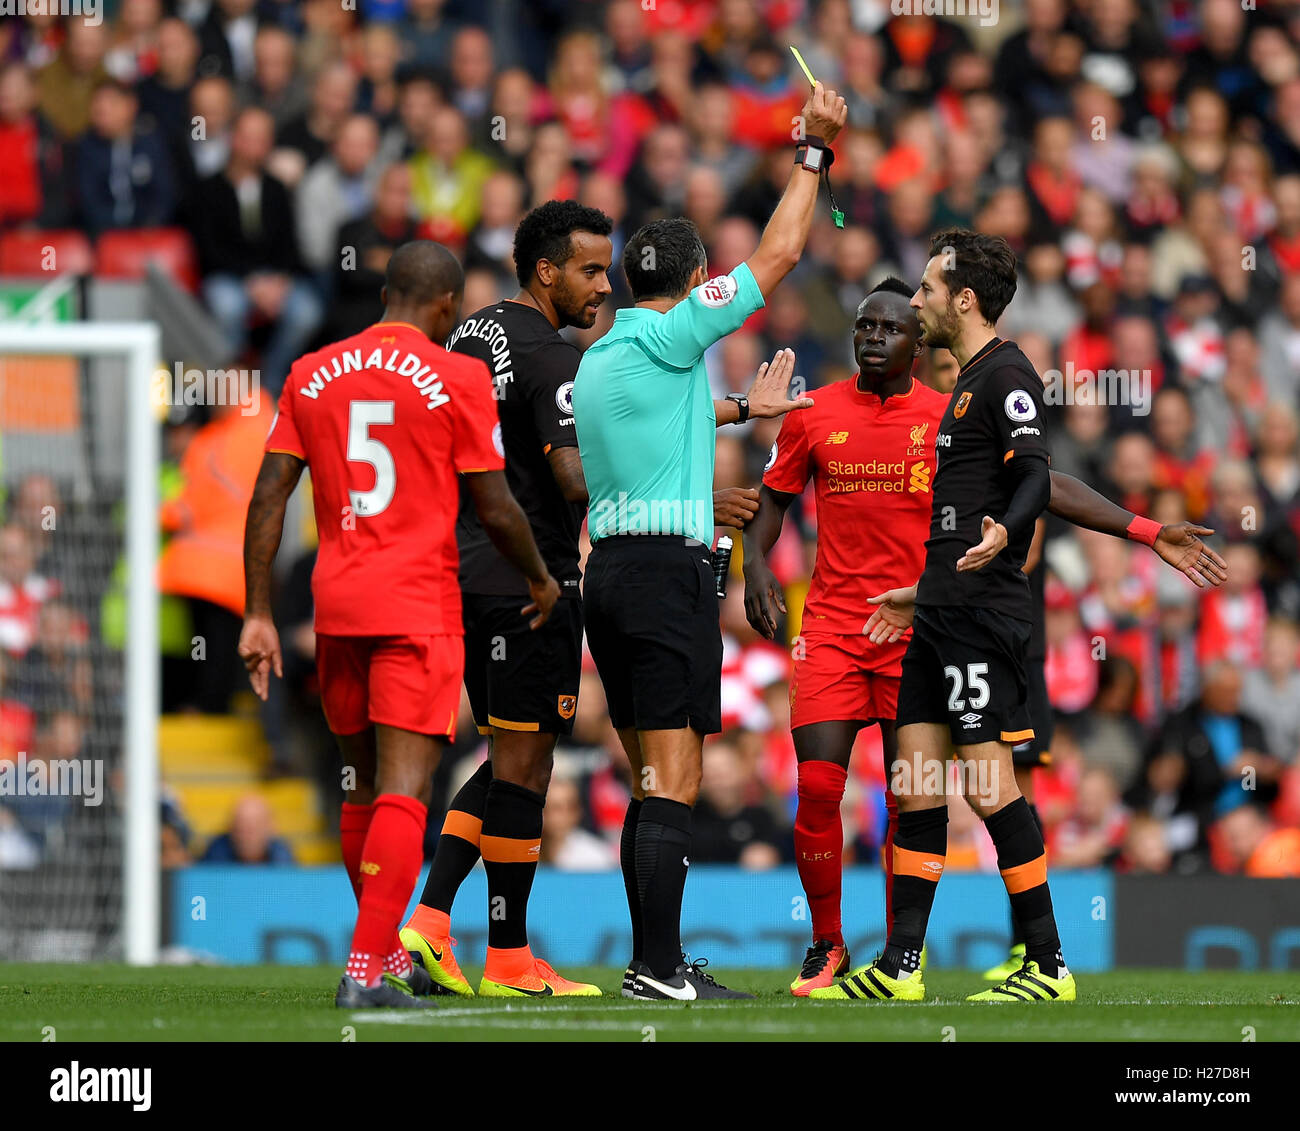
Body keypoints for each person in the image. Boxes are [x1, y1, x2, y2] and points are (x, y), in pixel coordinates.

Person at [745, 278, 1228, 996]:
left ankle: (989, 957)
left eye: (891, 326)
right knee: (832, 785)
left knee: (946, 791)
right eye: (863, 326)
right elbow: (773, 501)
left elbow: (1044, 478)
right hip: (843, 627)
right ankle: (849, 949)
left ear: (920, 340)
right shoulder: (815, 413)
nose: (874, 337)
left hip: (933, 625)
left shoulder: (951, 414)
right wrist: (751, 561)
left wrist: (1145, 530)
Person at [572, 81, 848, 1002]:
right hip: (663, 574)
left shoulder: (606, 353)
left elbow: (656, 425)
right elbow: (776, 256)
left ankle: (655, 958)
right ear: (694, 286)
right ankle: (657, 966)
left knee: (655, 775)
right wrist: (812, 152)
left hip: (613, 571)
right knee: (677, 775)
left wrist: (737, 411)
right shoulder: (677, 334)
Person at [238, 241, 560, 1010]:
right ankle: (363, 973)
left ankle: (378, 956)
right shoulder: (457, 376)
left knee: (362, 785)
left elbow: (268, 496)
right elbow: (495, 505)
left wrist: (256, 611)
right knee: (407, 789)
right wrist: (542, 578)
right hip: (416, 605)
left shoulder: (311, 371)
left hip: (337, 607)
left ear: (387, 295)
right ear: (447, 308)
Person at [399, 199, 616, 999]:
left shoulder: (471, 333)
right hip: (531, 581)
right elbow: (569, 479)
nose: (604, 285)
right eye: (590, 270)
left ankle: (429, 921)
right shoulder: (553, 357)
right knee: (526, 769)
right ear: (547, 270)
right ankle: (510, 958)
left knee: (505, 758)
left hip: (462, 573)